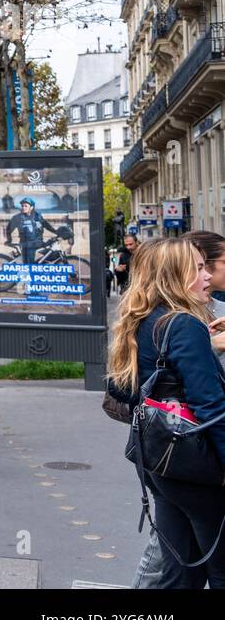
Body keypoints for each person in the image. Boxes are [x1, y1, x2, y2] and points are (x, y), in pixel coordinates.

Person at [108, 237, 225, 588]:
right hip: (199, 468)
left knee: (181, 569)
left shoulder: (144, 319)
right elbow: (212, 406)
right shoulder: (183, 324)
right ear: (176, 276)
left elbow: (121, 389)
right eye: (199, 268)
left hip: (160, 462)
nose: (207, 276)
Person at [5, 197, 59, 263]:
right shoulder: (17, 218)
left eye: (26, 206)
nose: (23, 208)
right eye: (22, 206)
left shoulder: (37, 216)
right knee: (30, 266)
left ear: (31, 207)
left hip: (39, 244)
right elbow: (8, 230)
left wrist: (56, 232)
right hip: (27, 245)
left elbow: (47, 226)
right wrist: (9, 240)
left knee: (50, 257)